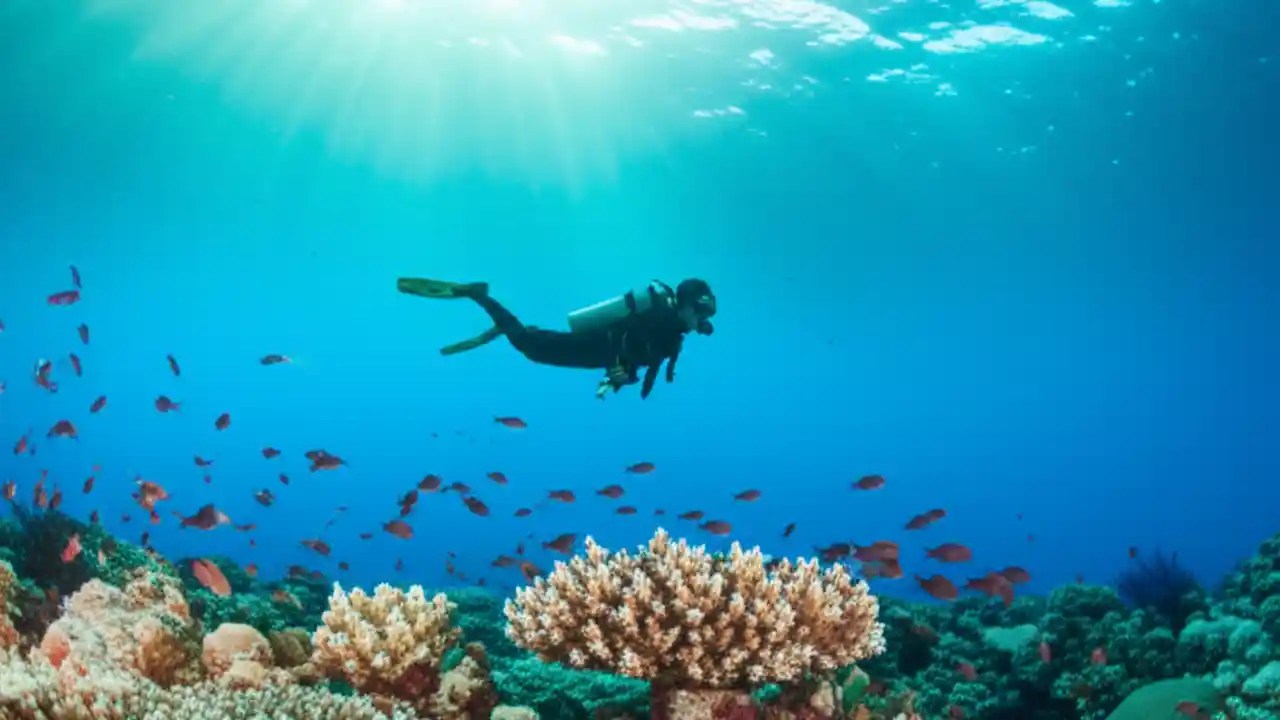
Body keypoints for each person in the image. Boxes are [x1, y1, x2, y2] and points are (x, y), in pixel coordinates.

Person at [396, 277, 716, 399]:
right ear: (687, 306)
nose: (702, 322)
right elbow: (628, 343)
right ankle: (477, 296)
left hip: (596, 355)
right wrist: (619, 374)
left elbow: (641, 361)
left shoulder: (672, 333)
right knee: (530, 348)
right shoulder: (660, 320)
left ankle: (510, 327)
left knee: (533, 345)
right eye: (700, 314)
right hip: (595, 347)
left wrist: (617, 379)